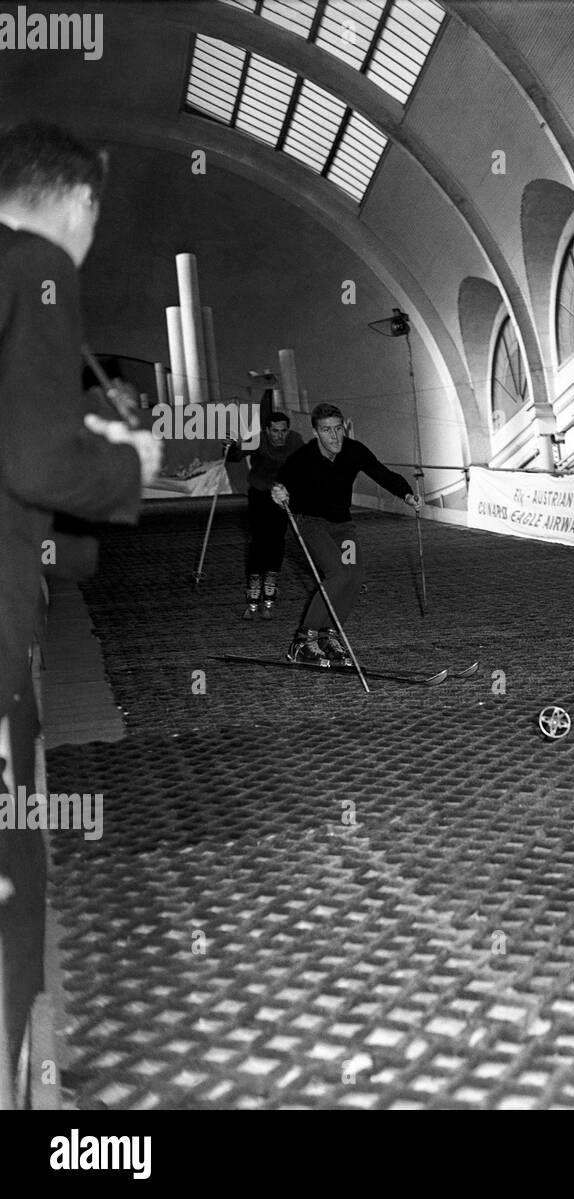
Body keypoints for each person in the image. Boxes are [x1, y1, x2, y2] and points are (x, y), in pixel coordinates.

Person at [0, 120, 160, 1102]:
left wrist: (75, 442)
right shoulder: (41, 271)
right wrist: (125, 462)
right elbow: (32, 461)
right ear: (80, 201)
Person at [271, 403, 422, 665]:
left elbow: (381, 473)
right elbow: (280, 484)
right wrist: (278, 492)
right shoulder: (302, 458)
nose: (334, 436)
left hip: (342, 525)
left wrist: (407, 494)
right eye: (327, 430)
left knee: (354, 576)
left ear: (345, 427)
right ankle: (302, 641)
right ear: (316, 432)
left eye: (338, 429)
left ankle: (328, 635)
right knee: (338, 573)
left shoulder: (354, 450)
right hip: (310, 522)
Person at [227, 411, 303, 619]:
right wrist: (232, 446)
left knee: (277, 540)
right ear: (267, 430)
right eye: (275, 431)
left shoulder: (295, 440)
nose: (280, 436)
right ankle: (254, 587)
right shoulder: (257, 439)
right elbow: (234, 457)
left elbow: (306, 464)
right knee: (259, 540)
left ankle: (270, 584)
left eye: (283, 431)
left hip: (282, 494)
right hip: (260, 493)